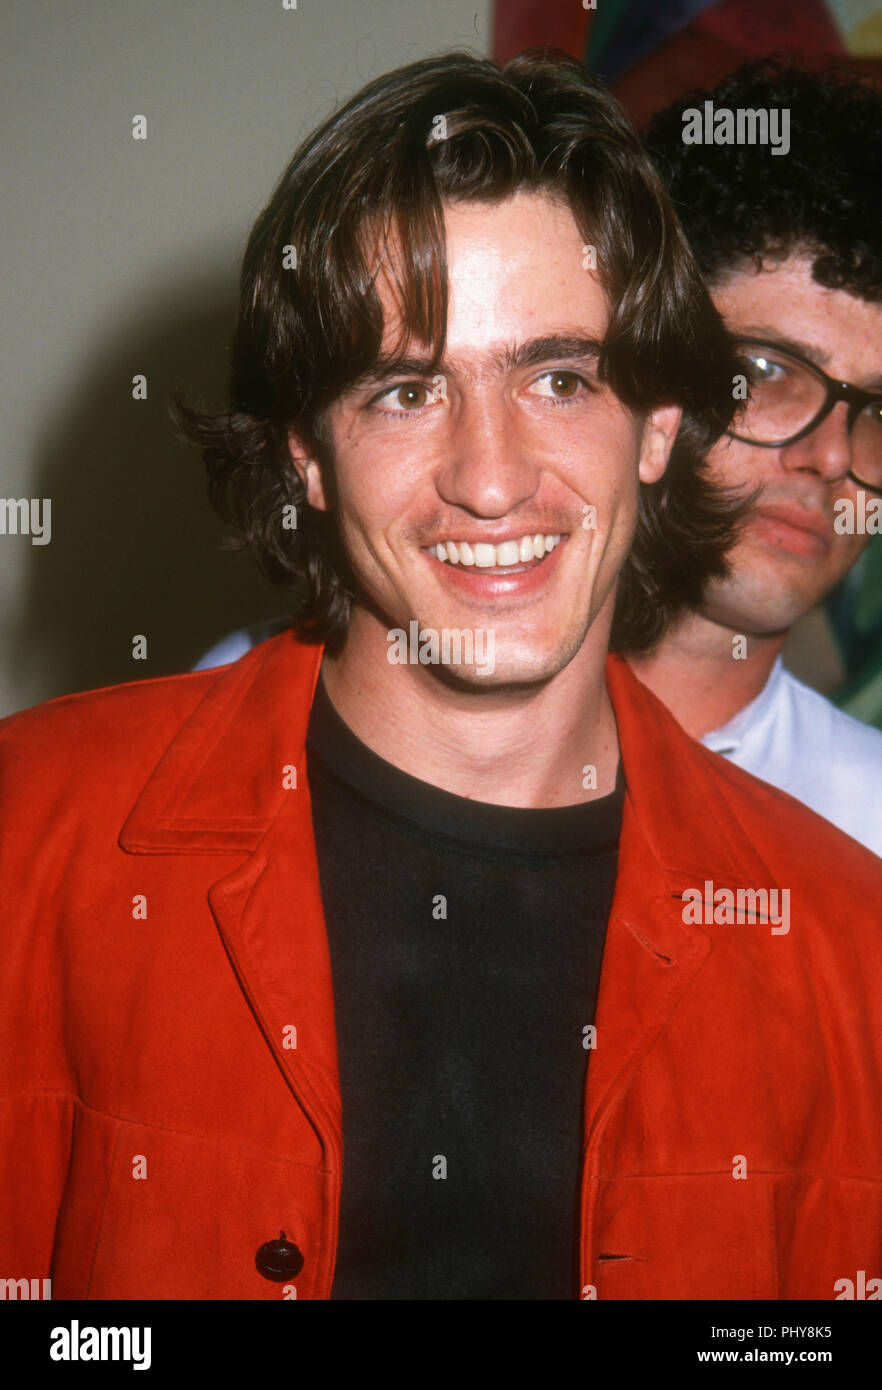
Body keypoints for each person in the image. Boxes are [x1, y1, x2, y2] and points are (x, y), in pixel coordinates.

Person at [2, 48, 881, 1303]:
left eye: (560, 378)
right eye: (409, 389)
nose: (492, 474)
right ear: (308, 452)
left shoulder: (849, 953)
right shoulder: (30, 836)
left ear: (659, 429)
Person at [629, 61, 882, 855]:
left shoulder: (865, 831)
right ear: (639, 357)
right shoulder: (294, 711)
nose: (832, 456)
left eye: (879, 411)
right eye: (770, 372)